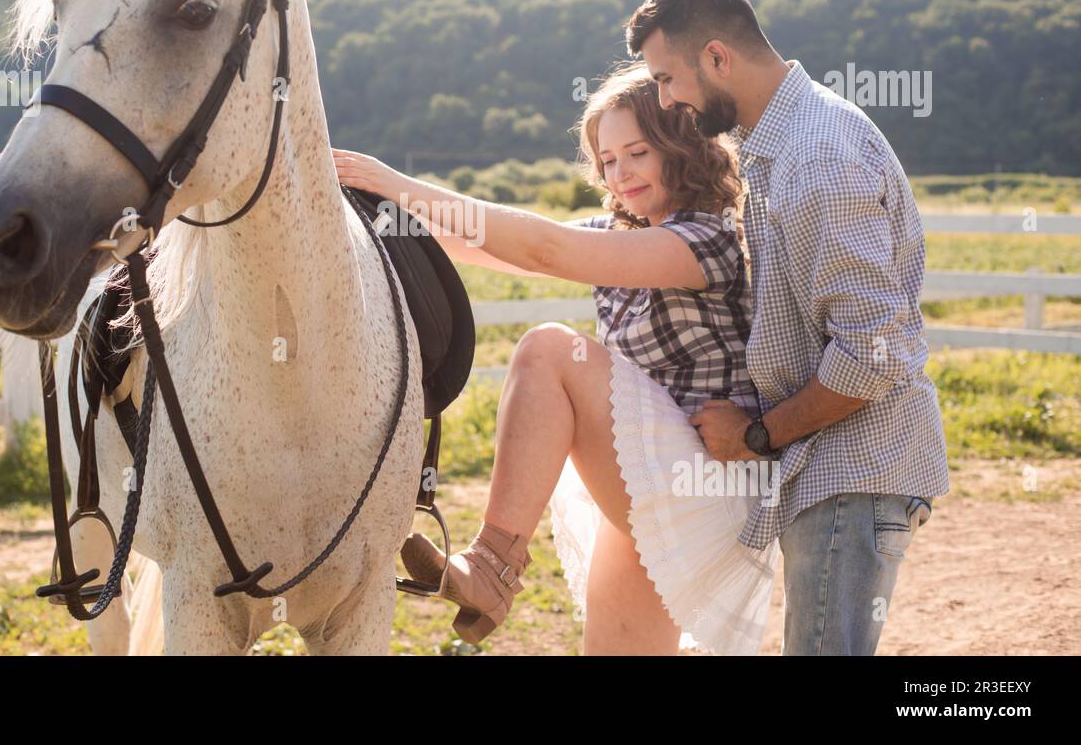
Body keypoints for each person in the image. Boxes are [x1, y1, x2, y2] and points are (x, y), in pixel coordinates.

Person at [331, 63, 779, 655]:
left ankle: (492, 565)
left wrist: (395, 180)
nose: (621, 174)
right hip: (650, 472)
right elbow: (493, 245)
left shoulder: (707, 240)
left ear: (683, 147)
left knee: (549, 349)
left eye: (638, 152)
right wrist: (371, 212)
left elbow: (544, 248)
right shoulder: (624, 234)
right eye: (609, 160)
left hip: (708, 484)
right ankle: (491, 573)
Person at [626, 0, 949, 655]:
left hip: (853, 471)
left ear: (717, 58)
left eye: (666, 78)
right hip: (833, 472)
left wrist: (756, 436)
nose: (666, 100)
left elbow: (870, 353)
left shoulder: (817, 157)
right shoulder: (783, 144)